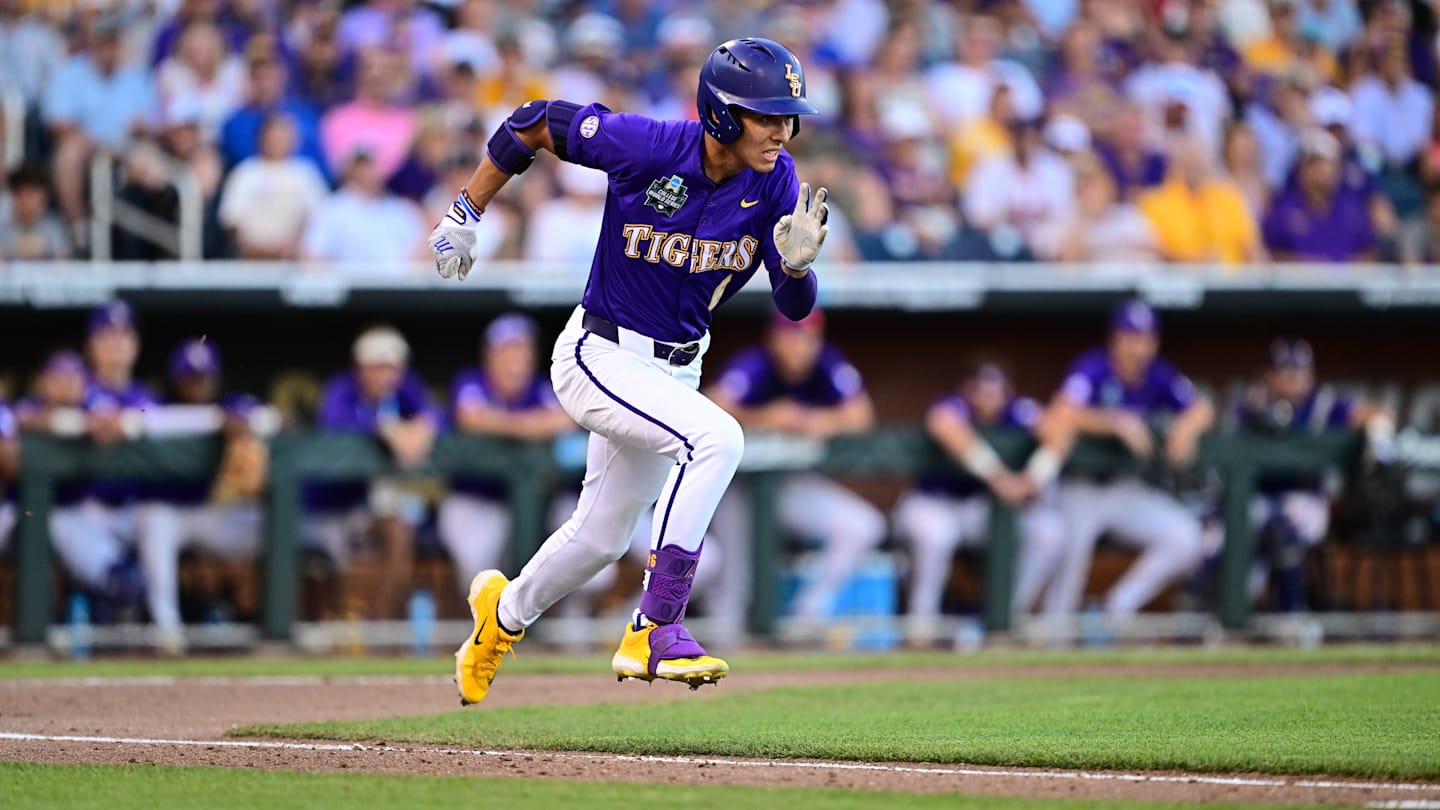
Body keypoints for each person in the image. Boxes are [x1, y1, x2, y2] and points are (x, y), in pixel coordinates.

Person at [427, 37, 828, 704]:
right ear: (723, 114)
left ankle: (501, 616)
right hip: (600, 353)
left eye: (789, 117)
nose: (781, 131)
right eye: (767, 116)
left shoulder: (776, 178)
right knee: (718, 438)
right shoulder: (650, 146)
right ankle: (655, 625)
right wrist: (467, 209)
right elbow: (531, 122)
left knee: (600, 538)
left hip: (677, 370)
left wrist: (796, 268)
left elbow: (793, 309)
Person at [706, 309, 883, 633]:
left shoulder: (828, 364)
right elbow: (711, 405)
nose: (802, 345)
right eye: (793, 336)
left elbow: (862, 417)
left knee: (863, 526)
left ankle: (806, 617)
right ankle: (720, 640)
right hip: (738, 487)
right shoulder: (754, 364)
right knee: (735, 579)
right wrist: (766, 417)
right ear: (774, 338)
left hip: (792, 485)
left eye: (810, 337)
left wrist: (812, 421)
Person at [1039, 299, 1214, 622]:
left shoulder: (1159, 374)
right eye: (1130, 337)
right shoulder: (1093, 367)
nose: (1138, 347)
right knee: (1068, 570)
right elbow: (1059, 413)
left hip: (1124, 487)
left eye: (1145, 338)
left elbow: (1202, 408)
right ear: (1114, 339)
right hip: (1082, 489)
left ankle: (1111, 611)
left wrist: (1186, 428)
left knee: (1185, 538)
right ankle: (1053, 638)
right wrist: (1114, 421)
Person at [891, 362, 1066, 645]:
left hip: (979, 510)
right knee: (937, 533)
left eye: (994, 390)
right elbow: (944, 424)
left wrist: (1033, 478)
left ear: (1008, 391)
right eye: (980, 389)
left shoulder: (1019, 410)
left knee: (1049, 531)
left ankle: (1006, 622)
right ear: (967, 389)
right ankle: (920, 628)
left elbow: (1058, 432)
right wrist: (997, 476)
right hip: (933, 503)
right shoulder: (953, 405)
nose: (987, 397)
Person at [1234, 338, 1394, 611]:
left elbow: (1376, 413)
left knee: (1284, 528)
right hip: (1258, 499)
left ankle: (1290, 614)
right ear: (1269, 374)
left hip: (1305, 499)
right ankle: (1227, 615)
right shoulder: (1252, 406)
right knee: (1221, 534)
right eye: (1285, 371)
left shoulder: (1324, 405)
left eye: (1300, 371)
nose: (1293, 378)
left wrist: (1379, 434)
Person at [134, 339, 265, 652]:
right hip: (169, 513)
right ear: (175, 378)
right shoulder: (155, 407)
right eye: (190, 377)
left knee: (272, 524)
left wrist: (241, 418)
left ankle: (267, 625)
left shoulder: (228, 405)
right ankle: (167, 632)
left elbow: (255, 410)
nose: (197, 384)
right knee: (155, 520)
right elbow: (139, 414)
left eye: (204, 376)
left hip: (213, 514)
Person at [306, 325, 440, 620]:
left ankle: (379, 629)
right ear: (361, 367)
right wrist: (385, 427)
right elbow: (336, 423)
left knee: (399, 529)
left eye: (390, 367)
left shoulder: (404, 387)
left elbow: (434, 415)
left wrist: (424, 425)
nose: (383, 375)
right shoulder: (342, 388)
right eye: (375, 367)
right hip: (321, 511)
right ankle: (326, 633)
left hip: (362, 509)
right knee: (323, 566)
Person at [439, 313, 574, 595]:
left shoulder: (539, 387)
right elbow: (471, 417)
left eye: (522, 350)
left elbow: (565, 419)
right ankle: (478, 633)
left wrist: (504, 424)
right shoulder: (472, 382)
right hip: (473, 499)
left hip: (532, 506)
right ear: (490, 355)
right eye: (507, 351)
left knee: (562, 565)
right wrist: (528, 425)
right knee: (476, 573)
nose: (516, 359)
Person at [48, 302, 158, 617]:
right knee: (59, 519)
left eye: (124, 334)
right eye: (107, 335)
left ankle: (166, 631)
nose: (117, 343)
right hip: (87, 509)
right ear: (90, 345)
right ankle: (111, 589)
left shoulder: (146, 395)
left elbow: (148, 414)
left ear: (136, 343)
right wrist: (89, 414)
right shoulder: (76, 389)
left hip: (135, 510)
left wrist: (126, 421)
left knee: (161, 518)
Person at [218, 113, 330, 259]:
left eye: (283, 137)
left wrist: (294, 244)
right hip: (251, 258)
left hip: (293, 259)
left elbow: (319, 217)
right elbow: (230, 220)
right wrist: (259, 248)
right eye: (273, 136)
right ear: (261, 138)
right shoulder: (246, 172)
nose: (277, 142)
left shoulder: (306, 174)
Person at [1262, 129, 1376, 262]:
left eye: (1330, 164)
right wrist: (1311, 268)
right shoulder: (1283, 211)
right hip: (1298, 282)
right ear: (1302, 169)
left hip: (1347, 281)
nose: (1325, 171)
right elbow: (1271, 254)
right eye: (1316, 164)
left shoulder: (1352, 209)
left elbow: (1369, 250)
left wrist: (1345, 269)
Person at [0, 162, 71, 260]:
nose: (25, 201)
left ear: (44, 197)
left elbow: (63, 259)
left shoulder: (54, 227)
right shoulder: (4, 229)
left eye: (31, 195)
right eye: (20, 195)